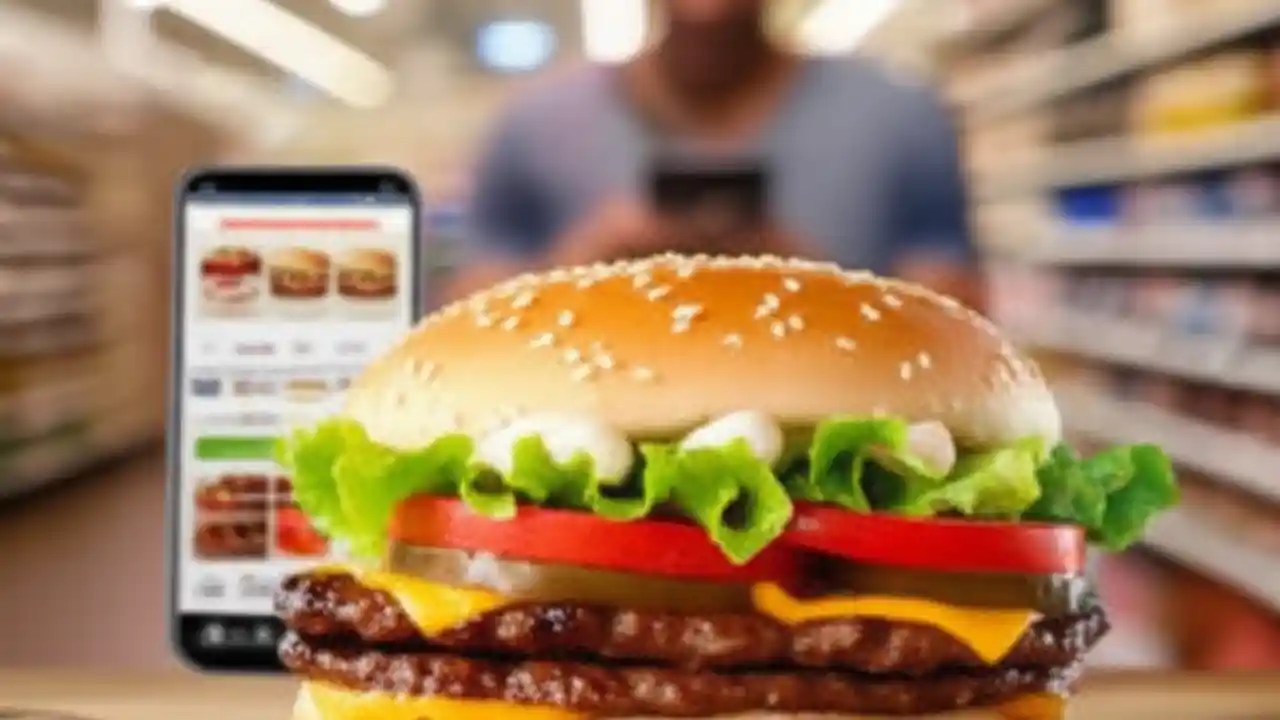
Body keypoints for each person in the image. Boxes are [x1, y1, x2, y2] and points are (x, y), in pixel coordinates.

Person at [447, 0, 976, 304]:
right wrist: (575, 267)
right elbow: (462, 312)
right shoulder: (533, 123)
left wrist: (814, 286)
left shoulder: (900, 116)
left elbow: (964, 323)